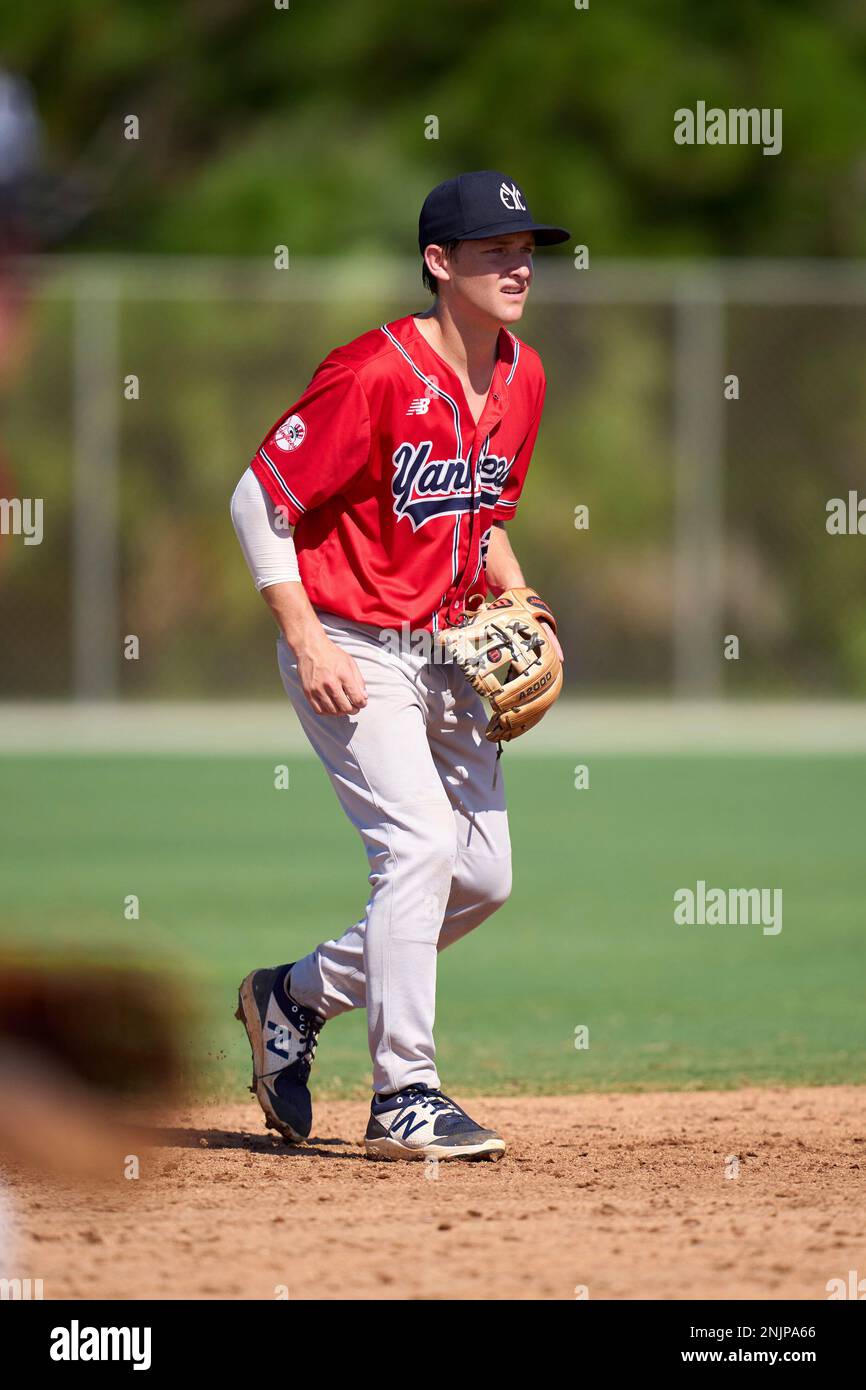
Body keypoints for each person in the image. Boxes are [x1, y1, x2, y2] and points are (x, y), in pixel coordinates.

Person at [231, 170, 568, 1161]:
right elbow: (259, 500)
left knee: (482, 877)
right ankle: (404, 1094)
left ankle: (288, 998)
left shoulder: (523, 377)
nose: (516, 265)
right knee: (418, 846)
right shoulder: (372, 373)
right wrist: (303, 635)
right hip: (353, 642)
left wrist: (523, 596)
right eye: (493, 249)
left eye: (525, 249)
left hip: (450, 653)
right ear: (438, 262)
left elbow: (486, 514)